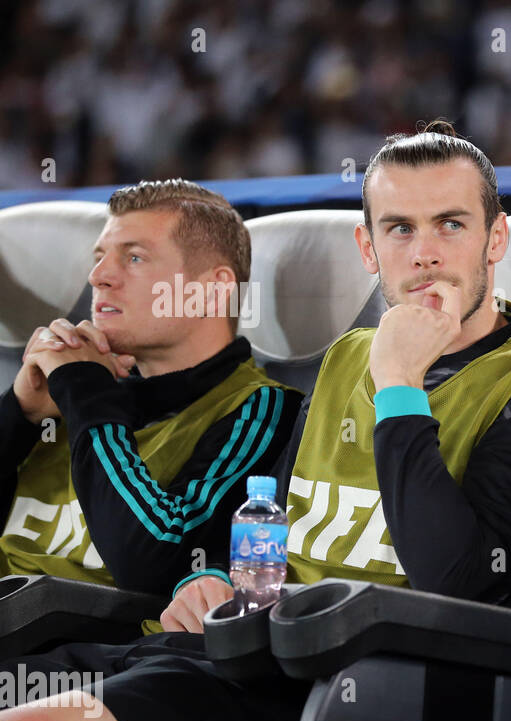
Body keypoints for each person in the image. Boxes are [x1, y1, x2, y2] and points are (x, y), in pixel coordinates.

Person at [0, 123, 511, 721]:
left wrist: (399, 386)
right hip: (243, 648)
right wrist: (205, 583)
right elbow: (271, 520)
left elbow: (463, 583)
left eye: (451, 225)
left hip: (370, 682)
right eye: (398, 229)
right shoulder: (344, 359)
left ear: (495, 239)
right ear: (368, 248)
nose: (424, 254)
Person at [0, 179, 301, 600]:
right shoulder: (59, 395)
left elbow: (154, 563)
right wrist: (18, 413)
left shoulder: (261, 412)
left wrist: (87, 393)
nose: (98, 276)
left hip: (80, 651)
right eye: (100, 257)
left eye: (135, 258)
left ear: (211, 289)